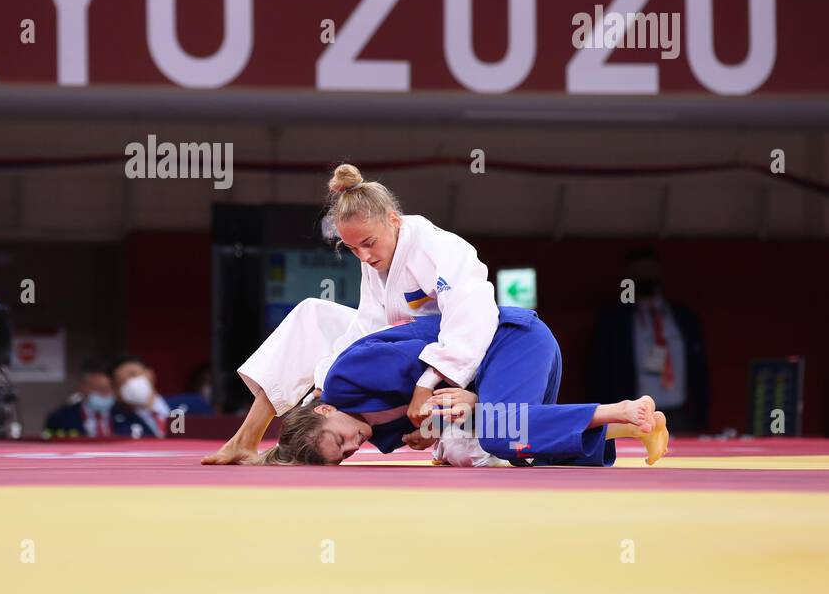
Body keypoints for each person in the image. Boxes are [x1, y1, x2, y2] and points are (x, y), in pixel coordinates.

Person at [203, 163, 500, 465]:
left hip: (459, 363)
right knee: (313, 314)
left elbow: (472, 320)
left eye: (368, 244)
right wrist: (326, 381)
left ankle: (463, 431)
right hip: (403, 356)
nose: (364, 256)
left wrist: (429, 381)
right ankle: (247, 437)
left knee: (466, 453)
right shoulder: (376, 257)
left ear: (393, 219)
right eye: (353, 249)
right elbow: (368, 327)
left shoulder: (440, 248)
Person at [262, 307, 669, 468]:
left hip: (507, 340)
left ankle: (617, 409)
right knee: (525, 458)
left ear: (324, 410)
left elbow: (442, 349)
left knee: (499, 435)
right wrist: (437, 435)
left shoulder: (347, 376)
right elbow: (451, 415)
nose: (354, 447)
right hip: (502, 369)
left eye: (340, 441)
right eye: (346, 455)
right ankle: (637, 428)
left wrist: (471, 397)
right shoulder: (381, 437)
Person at [592, 248, 710, 434]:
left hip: (679, 415)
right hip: (634, 417)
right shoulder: (615, 321)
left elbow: (700, 369)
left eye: (650, 274)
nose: (646, 280)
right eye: (639, 275)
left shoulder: (683, 317)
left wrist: (701, 416)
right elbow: (601, 372)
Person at [43, 365, 117, 437]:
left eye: (109, 389)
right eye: (99, 389)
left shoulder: (124, 416)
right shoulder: (60, 417)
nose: (105, 394)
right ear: (83, 387)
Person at [109, 355, 171, 438]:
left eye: (133, 374)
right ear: (116, 392)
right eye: (121, 381)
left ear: (150, 374)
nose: (129, 383)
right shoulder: (117, 422)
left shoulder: (187, 405)